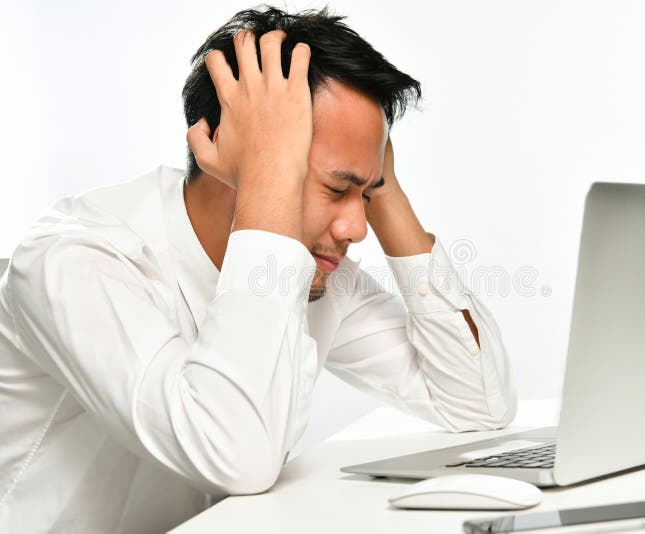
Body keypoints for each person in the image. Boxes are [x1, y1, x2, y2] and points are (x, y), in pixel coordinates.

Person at [0, 6, 516, 533]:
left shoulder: (310, 270)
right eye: (338, 189)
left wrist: (382, 187)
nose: (358, 229)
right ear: (235, 153)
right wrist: (270, 173)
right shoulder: (74, 260)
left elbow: (479, 404)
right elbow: (235, 456)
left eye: (368, 190)